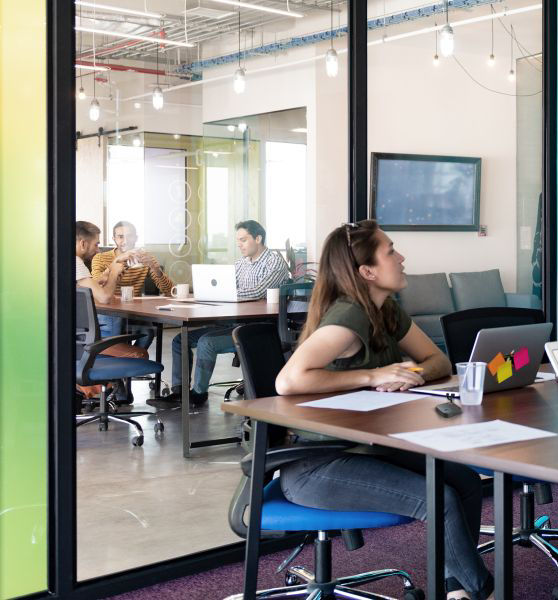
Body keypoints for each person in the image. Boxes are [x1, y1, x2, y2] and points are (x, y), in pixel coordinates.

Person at [275, 220, 492, 600]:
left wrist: (414, 373)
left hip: (367, 450)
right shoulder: (348, 316)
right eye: (391, 251)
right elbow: (288, 381)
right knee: (437, 499)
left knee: (465, 482)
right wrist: (372, 375)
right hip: (318, 464)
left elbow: (437, 360)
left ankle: (457, 590)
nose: (402, 257)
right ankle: (483, 593)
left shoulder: (385, 310)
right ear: (367, 271)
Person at [165, 219, 290, 405]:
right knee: (179, 340)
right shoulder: (241, 263)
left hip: (257, 327)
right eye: (237, 240)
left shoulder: (274, 262)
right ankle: (180, 392)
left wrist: (225, 294)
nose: (239, 244)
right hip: (233, 321)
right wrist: (212, 295)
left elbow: (258, 291)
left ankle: (198, 394)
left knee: (206, 342)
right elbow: (229, 289)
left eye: (243, 239)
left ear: (258, 238)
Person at [74, 221, 148, 400]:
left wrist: (105, 276)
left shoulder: (63, 260)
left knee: (141, 331)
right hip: (83, 345)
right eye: (96, 244)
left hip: (74, 342)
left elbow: (91, 289)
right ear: (83, 244)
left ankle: (111, 388)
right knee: (140, 354)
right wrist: (114, 272)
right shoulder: (76, 262)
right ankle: (113, 389)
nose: (98, 249)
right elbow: (105, 298)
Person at [90, 220, 174, 348]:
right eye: (120, 236)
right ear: (114, 239)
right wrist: (117, 263)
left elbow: (169, 291)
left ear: (136, 238)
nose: (125, 240)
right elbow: (97, 286)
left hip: (131, 311)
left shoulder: (145, 258)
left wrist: (156, 270)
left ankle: (133, 360)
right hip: (108, 310)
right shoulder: (100, 258)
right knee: (116, 327)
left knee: (148, 332)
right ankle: (121, 359)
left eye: (129, 236)